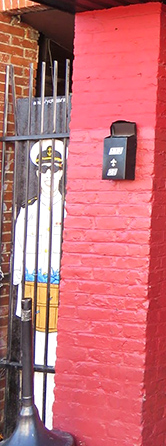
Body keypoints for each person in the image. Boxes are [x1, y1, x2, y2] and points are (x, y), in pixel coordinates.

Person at [12, 139, 66, 429]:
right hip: (33, 294)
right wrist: (21, 292)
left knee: (55, 357)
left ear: (61, 173)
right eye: (44, 171)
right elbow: (19, 254)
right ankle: (36, 420)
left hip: (59, 295)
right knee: (33, 361)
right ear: (36, 174)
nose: (49, 176)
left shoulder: (69, 211)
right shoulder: (28, 212)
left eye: (54, 171)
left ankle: (52, 420)